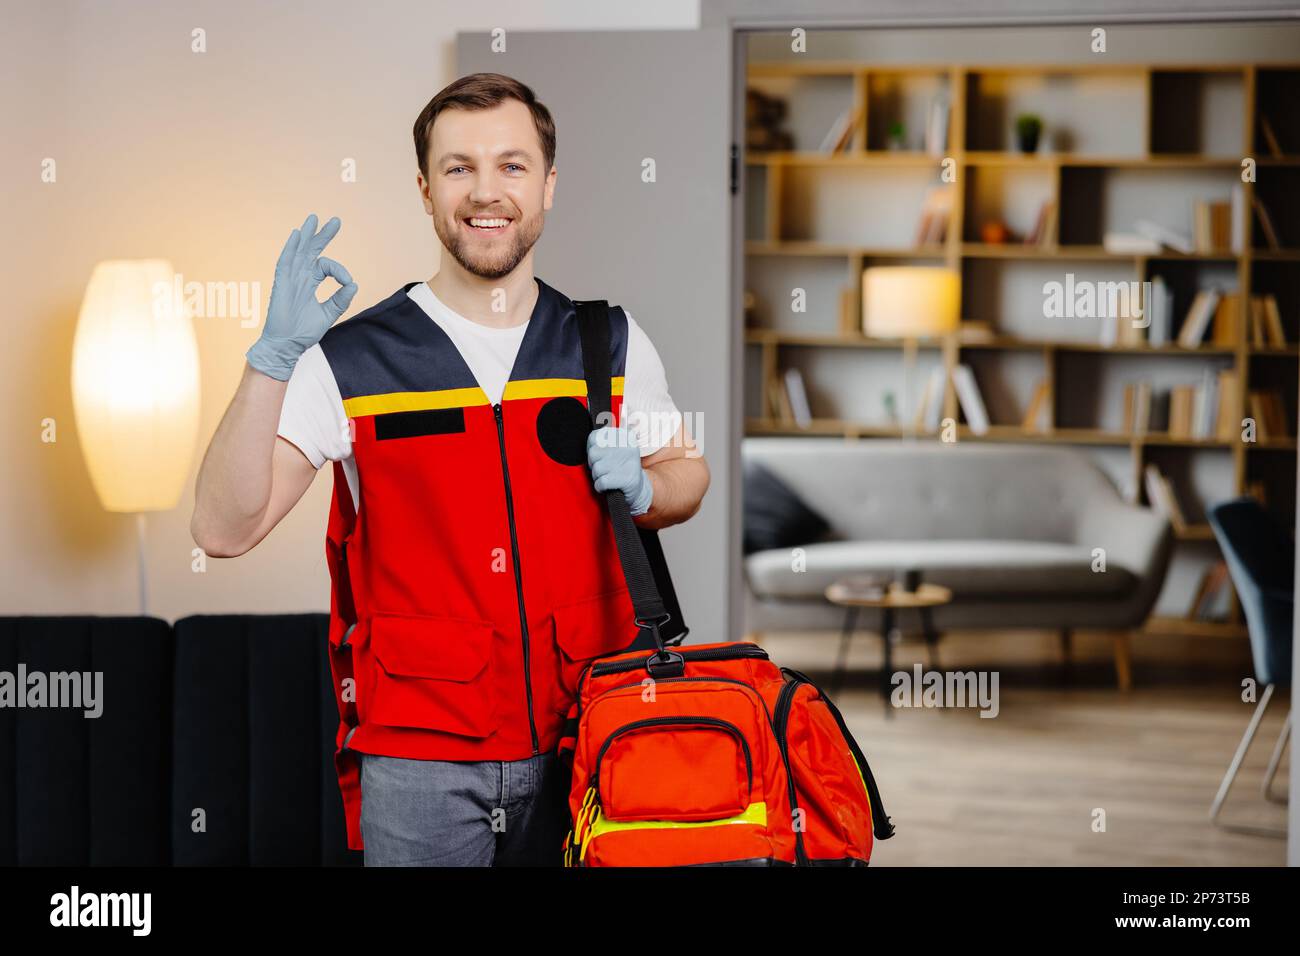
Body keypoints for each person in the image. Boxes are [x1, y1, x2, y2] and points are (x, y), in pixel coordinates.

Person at [189, 72, 709, 866]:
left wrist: (646, 488)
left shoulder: (606, 342)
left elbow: (685, 477)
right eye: (459, 167)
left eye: (512, 164)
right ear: (427, 188)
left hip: (593, 731)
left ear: (547, 185)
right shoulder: (352, 361)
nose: (485, 191)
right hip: (419, 758)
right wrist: (271, 363)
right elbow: (222, 530)